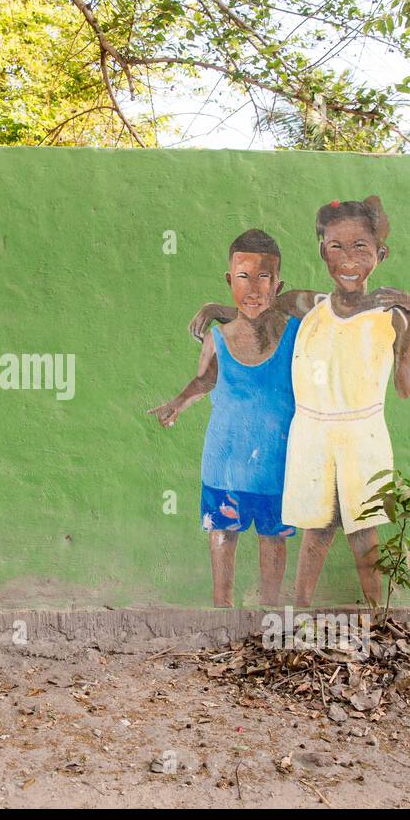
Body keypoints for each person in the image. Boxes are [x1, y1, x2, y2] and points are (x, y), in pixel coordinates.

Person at [189, 197, 410, 607]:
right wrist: (218, 308)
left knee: (363, 533)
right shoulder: (308, 304)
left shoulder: (392, 317)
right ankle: (298, 613)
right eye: (336, 246)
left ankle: (377, 617)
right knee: (316, 531)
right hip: (312, 434)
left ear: (380, 254)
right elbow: (256, 303)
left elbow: (406, 386)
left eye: (361, 247)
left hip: (363, 436)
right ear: (323, 252)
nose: (348, 259)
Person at [150, 230, 301, 607]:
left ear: (278, 283)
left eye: (264, 277)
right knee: (222, 536)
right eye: (243, 276)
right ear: (229, 280)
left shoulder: (295, 332)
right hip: (225, 463)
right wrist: (178, 403)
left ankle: (270, 614)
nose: (254, 287)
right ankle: (222, 613)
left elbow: (315, 303)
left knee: (273, 541)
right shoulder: (216, 338)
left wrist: (225, 306)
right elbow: (206, 379)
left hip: (276, 465)